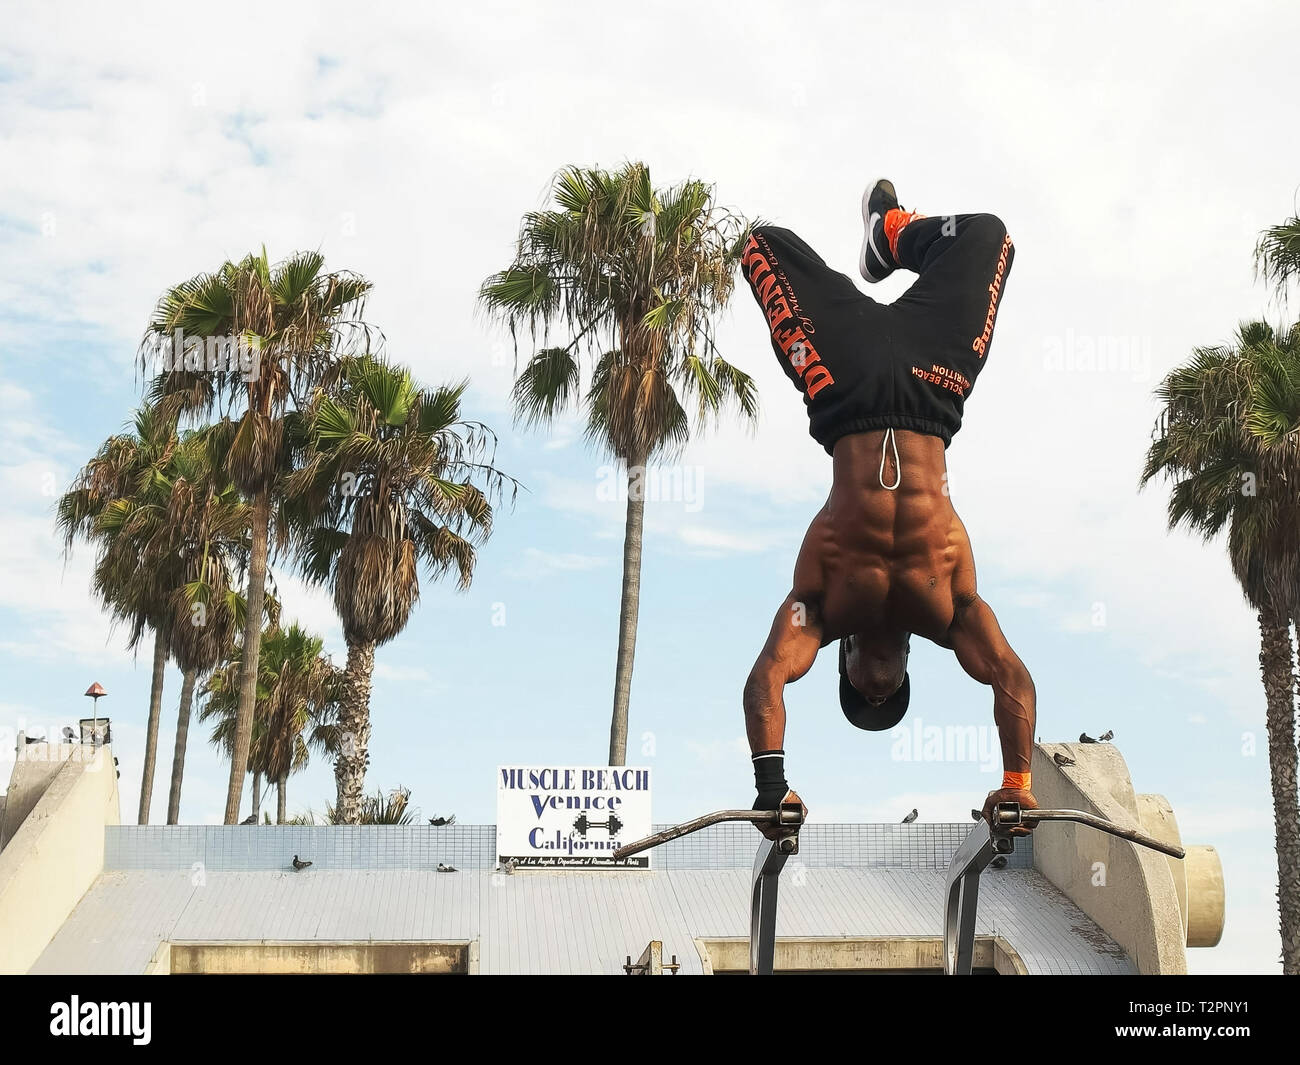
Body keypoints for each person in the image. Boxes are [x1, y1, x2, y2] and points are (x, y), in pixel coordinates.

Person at [740, 179, 1037, 838]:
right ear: (907, 670)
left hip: (846, 387)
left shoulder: (816, 608)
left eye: (865, 692)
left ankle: (886, 238)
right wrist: (1017, 784)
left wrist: (771, 788)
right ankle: (895, 231)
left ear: (843, 662)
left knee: (761, 243)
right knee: (988, 234)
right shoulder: (951, 612)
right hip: (936, 390)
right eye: (891, 692)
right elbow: (1011, 675)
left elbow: (766, 678)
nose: (879, 685)